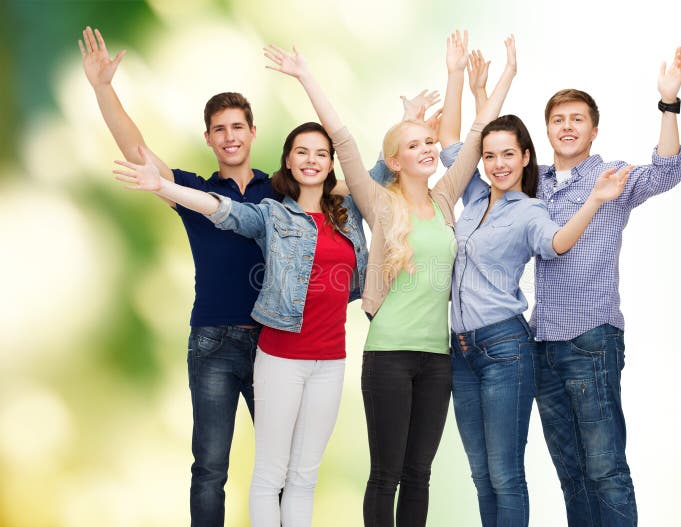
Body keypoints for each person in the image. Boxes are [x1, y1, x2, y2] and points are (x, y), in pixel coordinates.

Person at [262, 31, 517, 526]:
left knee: (419, 474)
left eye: (429, 142)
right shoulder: (380, 203)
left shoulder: (444, 201)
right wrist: (306, 76)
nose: (427, 149)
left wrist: (485, 75)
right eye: (414, 144)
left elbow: (477, 135)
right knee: (386, 475)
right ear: (396, 160)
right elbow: (344, 142)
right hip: (389, 356)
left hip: (437, 358)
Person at [111, 121, 369, 527]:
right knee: (268, 475)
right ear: (287, 160)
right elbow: (222, 210)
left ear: (332, 162)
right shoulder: (271, 214)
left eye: (321, 153)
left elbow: (379, 179)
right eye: (302, 152)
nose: (312, 160)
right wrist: (161, 186)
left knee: (303, 477)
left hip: (332, 362)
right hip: (281, 357)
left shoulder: (347, 214)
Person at [79, 26, 279, 526]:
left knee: (281, 467)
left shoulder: (281, 192)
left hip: (275, 343)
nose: (230, 136)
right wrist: (104, 89)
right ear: (209, 138)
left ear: (252, 132)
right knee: (210, 467)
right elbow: (138, 152)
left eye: (238, 126)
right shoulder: (192, 193)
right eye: (220, 129)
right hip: (212, 340)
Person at [435, 49, 633, 525]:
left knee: (508, 474)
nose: (498, 164)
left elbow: (559, 243)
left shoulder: (530, 209)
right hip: (460, 349)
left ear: (527, 158)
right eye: (489, 156)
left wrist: (592, 199)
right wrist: (460, 78)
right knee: (482, 475)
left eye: (509, 155)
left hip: (505, 344)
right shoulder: (475, 194)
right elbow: (450, 142)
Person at [531, 47, 681, 526]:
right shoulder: (531, 181)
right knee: (570, 472)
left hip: (592, 339)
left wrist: (669, 104)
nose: (568, 127)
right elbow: (479, 172)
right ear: (548, 129)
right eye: (558, 119)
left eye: (578, 119)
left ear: (593, 129)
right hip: (541, 342)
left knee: (604, 469)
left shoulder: (611, 176)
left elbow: (666, 171)